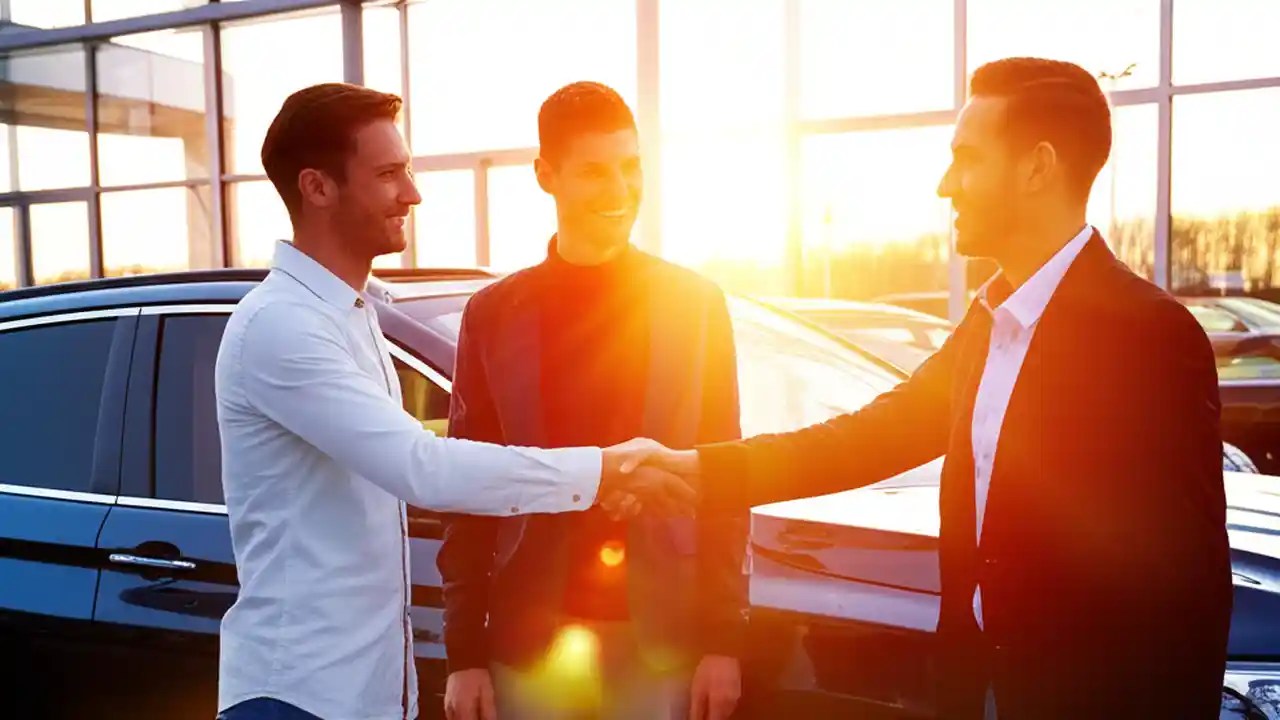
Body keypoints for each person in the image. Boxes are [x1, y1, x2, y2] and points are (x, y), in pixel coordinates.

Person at [630, 58, 1233, 719]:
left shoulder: (1147, 336)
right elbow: (864, 439)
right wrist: (699, 470)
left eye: (966, 159)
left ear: (1037, 167)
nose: (947, 185)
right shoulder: (987, 325)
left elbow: (1188, 588)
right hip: (975, 690)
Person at [213, 83, 692, 720]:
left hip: (364, 695)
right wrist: (606, 469)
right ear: (318, 188)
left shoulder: (350, 315)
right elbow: (423, 468)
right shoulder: (282, 327)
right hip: (297, 698)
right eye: (388, 174)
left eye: (406, 170)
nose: (412, 192)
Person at [438, 81, 748, 720]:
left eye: (632, 167)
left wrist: (723, 639)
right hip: (531, 644)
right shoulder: (495, 314)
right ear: (546, 175)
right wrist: (464, 651)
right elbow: (466, 485)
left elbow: (725, 472)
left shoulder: (695, 304)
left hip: (664, 640)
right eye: (595, 172)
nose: (620, 190)